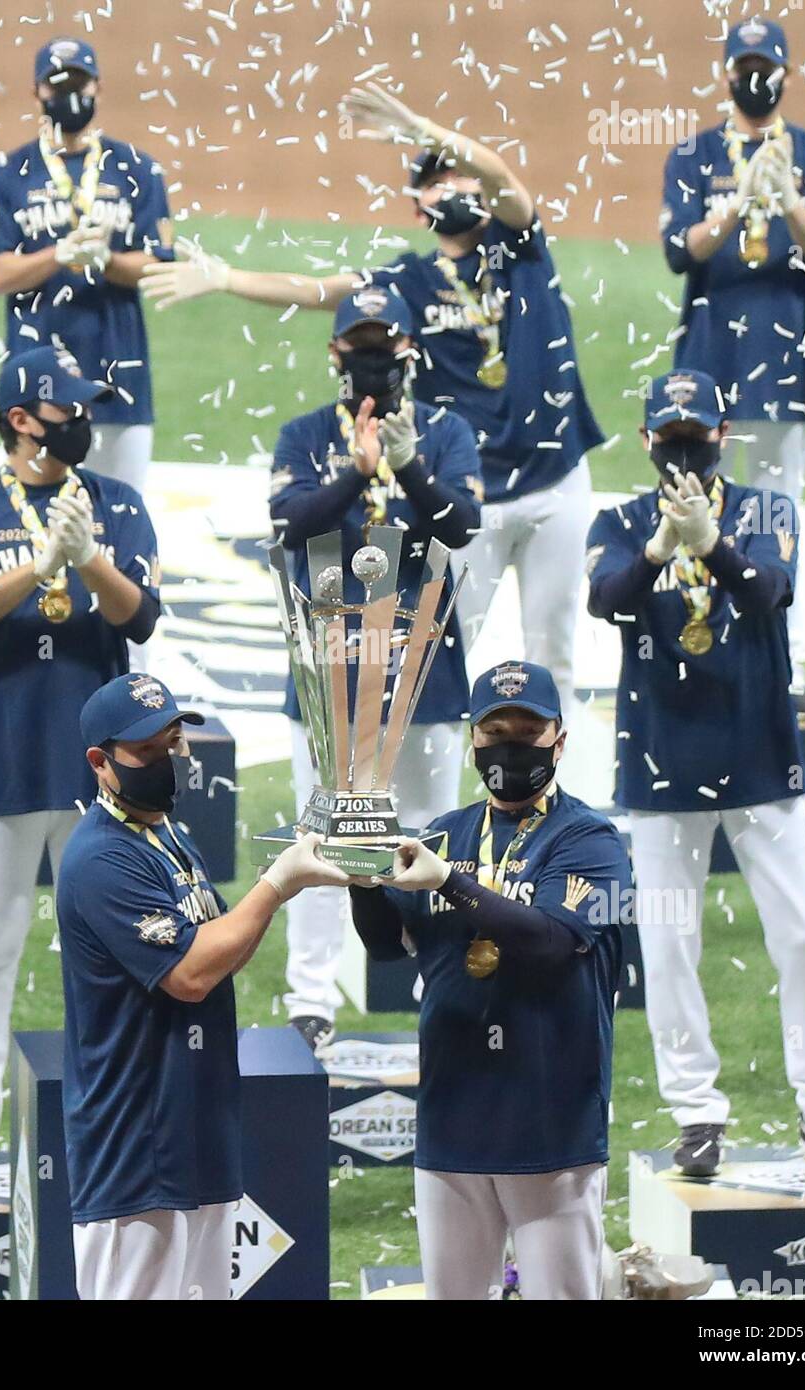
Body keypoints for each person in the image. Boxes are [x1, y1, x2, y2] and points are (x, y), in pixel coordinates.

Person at [141, 79, 603, 714]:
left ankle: (557, 802)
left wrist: (425, 130)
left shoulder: (517, 245)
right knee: (445, 651)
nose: (458, 188)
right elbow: (315, 290)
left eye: (462, 178)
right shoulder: (405, 281)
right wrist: (226, 279)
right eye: (437, 182)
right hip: (472, 494)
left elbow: (500, 174)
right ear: (417, 206)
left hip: (556, 481)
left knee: (556, 656)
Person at [586, 367, 805, 1177]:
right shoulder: (617, 521)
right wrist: (658, 548)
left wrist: (707, 544)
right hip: (659, 770)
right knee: (669, 942)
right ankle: (695, 1113)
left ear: (723, 435)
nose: (684, 448)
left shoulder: (764, 512)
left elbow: (767, 593)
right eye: (669, 435)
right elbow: (604, 601)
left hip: (759, 761)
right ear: (646, 439)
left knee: (801, 937)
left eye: (698, 434)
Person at [0, 347, 162, 1179]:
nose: (83, 421)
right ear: (22, 419)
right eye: (68, 408)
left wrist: (89, 557)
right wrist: (40, 565)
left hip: (104, 770)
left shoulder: (119, 504)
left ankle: (116, 1101)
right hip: (0, 757)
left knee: (111, 940)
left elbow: (140, 619)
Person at [56, 673, 348, 1300]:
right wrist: (278, 884)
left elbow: (218, 949)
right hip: (135, 1144)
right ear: (100, 764)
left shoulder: (166, 835)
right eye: (149, 750)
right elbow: (189, 974)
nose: (171, 759)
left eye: (174, 740)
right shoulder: (100, 859)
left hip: (196, 1133)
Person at [349, 661, 629, 1299]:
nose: (509, 745)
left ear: (559, 740)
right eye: (494, 729)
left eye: (527, 731)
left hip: (549, 1120)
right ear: (471, 738)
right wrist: (361, 876)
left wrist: (451, 882)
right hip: (453, 1115)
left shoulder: (590, 839)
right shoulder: (446, 833)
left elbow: (552, 942)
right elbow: (386, 946)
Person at [269, 284, 481, 1050]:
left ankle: (439, 986)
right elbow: (291, 524)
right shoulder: (300, 435)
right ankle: (310, 1002)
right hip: (330, 671)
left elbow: (462, 522)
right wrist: (359, 475)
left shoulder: (447, 432)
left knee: (423, 839)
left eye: (384, 344)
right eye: (357, 345)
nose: (371, 360)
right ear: (334, 354)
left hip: (423, 668)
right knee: (325, 841)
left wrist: (409, 468)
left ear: (408, 351)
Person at [660, 16, 805, 714]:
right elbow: (683, 251)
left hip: (780, 369)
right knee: (694, 513)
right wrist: (739, 199)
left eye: (764, 64)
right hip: (707, 369)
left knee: (774, 519)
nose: (753, 75)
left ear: (786, 74)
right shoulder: (692, 154)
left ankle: (777, 667)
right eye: (743, 63)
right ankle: (695, 651)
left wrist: (788, 198)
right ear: (726, 74)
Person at [0, 36, 174, 493]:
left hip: (119, 380)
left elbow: (158, 265)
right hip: (36, 386)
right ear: (37, 93)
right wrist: (57, 256)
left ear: (98, 89)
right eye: (57, 85)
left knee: (121, 520)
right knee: (39, 522)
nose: (69, 95)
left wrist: (107, 261)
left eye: (79, 83)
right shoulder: (8, 173)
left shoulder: (138, 169)